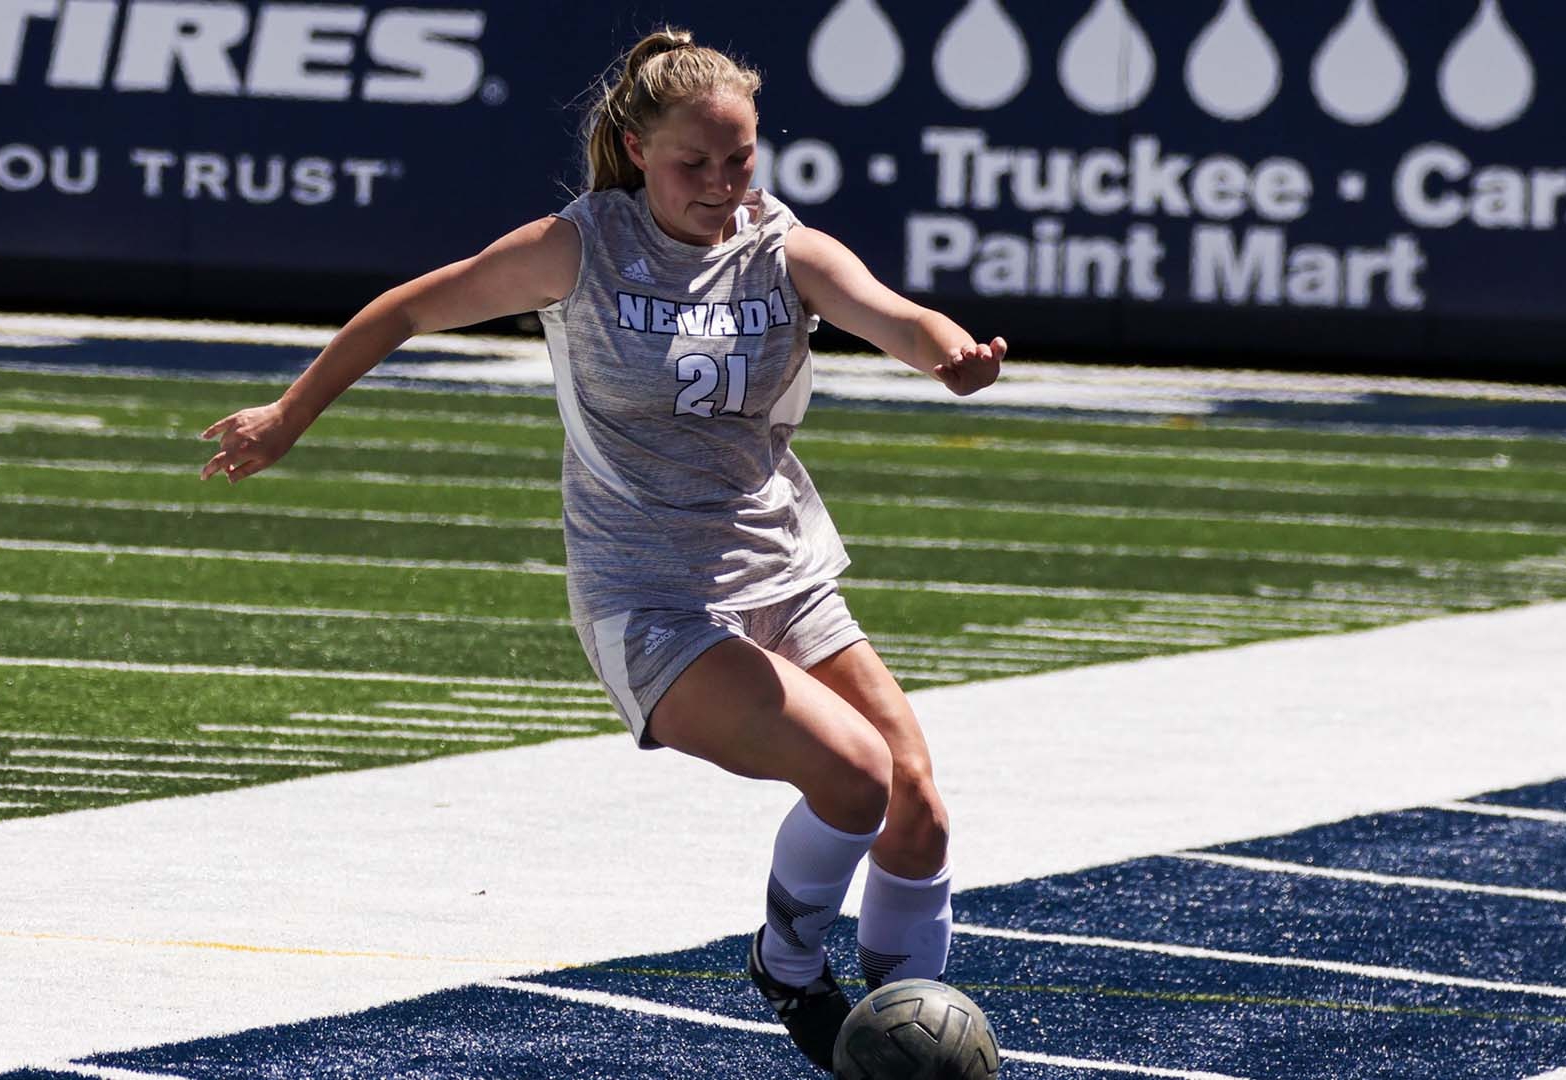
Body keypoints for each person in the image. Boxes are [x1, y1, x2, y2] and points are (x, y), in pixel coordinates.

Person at [200, 28, 1005, 1073]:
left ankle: (906, 1032)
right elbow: (407, 308)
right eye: (695, 164)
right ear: (634, 150)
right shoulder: (578, 248)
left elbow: (894, 315)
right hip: (650, 595)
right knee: (854, 780)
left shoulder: (781, 247)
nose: (722, 184)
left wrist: (951, 356)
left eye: (740, 158)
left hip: (783, 570)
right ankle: (790, 963)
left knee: (920, 810)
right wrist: (289, 415)